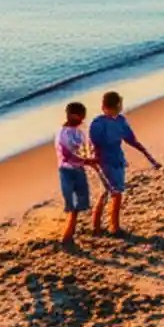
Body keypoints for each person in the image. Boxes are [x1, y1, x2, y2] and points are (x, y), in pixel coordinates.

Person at [89, 91, 160, 235]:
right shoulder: (97, 123)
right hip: (104, 161)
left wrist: (150, 157)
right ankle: (110, 226)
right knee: (113, 192)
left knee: (113, 192)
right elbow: (94, 146)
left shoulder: (120, 121)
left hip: (117, 160)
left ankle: (102, 225)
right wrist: (96, 163)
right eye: (115, 106)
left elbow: (132, 140)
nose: (117, 109)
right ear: (105, 107)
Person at [55, 101, 98, 245]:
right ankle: (67, 237)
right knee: (73, 206)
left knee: (80, 204)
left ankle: (70, 233)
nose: (83, 119)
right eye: (81, 116)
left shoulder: (77, 130)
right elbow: (69, 156)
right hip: (68, 171)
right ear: (73, 115)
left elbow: (84, 146)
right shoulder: (64, 134)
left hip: (78, 169)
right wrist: (89, 161)